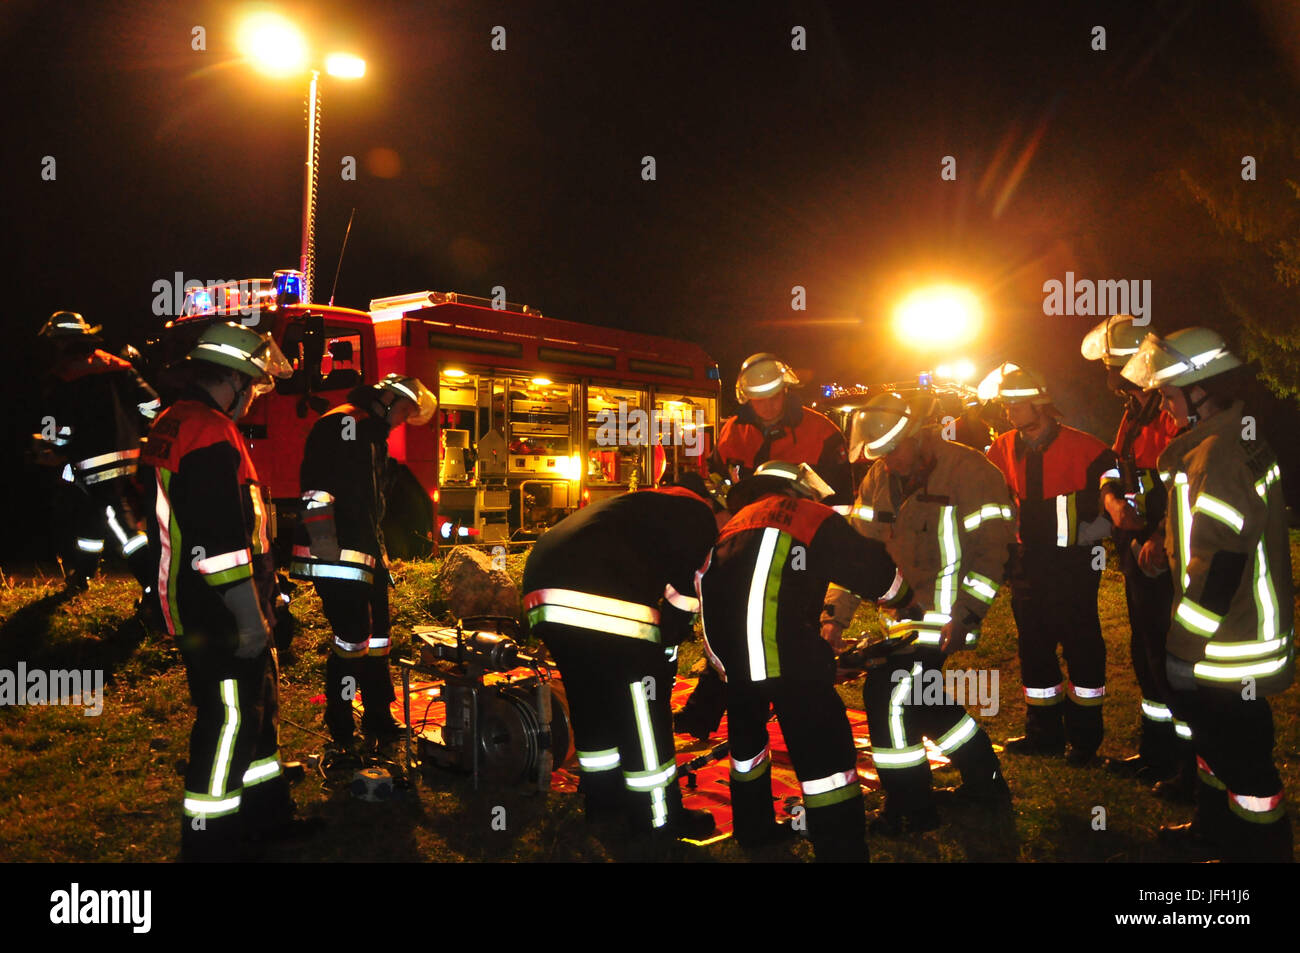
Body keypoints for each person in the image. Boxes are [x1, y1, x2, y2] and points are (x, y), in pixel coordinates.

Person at [1121, 328, 1293, 862]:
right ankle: (1215, 831)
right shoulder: (1232, 439)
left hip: (1229, 642)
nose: (1166, 409)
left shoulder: (1216, 455)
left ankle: (1260, 853)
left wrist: (1184, 647)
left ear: (1200, 391)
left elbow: (1221, 562)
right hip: (1237, 632)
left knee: (1244, 765)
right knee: (1216, 748)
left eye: (1171, 396)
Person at [141, 321, 300, 861]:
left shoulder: (177, 421)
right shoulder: (208, 431)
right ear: (230, 381)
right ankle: (210, 840)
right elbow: (219, 543)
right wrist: (249, 617)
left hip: (210, 602)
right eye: (252, 386)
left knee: (255, 712)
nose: (253, 398)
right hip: (220, 610)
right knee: (229, 720)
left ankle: (264, 815)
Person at [822, 391, 1014, 833]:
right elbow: (858, 556)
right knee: (924, 704)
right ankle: (985, 782)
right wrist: (834, 617)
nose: (889, 461)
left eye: (894, 450)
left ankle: (911, 809)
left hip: (946, 618)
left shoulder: (970, 472)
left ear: (919, 435)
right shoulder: (878, 478)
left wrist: (966, 614)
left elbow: (992, 554)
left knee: (885, 696)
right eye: (880, 454)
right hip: (903, 621)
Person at [698, 461, 899, 861]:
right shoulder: (805, 514)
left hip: (730, 657)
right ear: (793, 489)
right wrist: (903, 595)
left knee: (747, 746)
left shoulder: (735, 523)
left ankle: (753, 830)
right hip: (784, 656)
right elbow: (873, 570)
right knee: (825, 752)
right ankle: (839, 846)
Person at [522, 473, 728, 840]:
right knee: (643, 710)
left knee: (590, 698)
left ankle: (602, 801)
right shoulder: (698, 515)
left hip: (542, 592)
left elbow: (657, 579)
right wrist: (663, 658)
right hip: (602, 594)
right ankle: (659, 817)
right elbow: (684, 598)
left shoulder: (638, 509)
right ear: (713, 506)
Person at [678, 352, 853, 739]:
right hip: (743, 542)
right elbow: (719, 480)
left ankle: (805, 715)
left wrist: (826, 549)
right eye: (759, 398)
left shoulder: (820, 432)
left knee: (796, 630)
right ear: (746, 397)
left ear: (786, 389)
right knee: (731, 626)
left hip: (800, 548)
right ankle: (703, 715)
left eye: (774, 396)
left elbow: (840, 501)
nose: (768, 406)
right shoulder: (733, 430)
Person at [289, 374, 437, 761]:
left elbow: (369, 504)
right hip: (336, 556)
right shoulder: (343, 424)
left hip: (364, 555)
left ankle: (377, 718)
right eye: (404, 410)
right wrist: (324, 542)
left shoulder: (371, 434)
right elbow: (316, 488)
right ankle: (341, 727)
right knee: (352, 641)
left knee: (378, 640)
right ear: (387, 398)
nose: (404, 419)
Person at [983, 363, 1118, 764]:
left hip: (1073, 565)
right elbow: (994, 503)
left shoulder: (1088, 448)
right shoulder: (1002, 448)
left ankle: (1084, 742)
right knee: (1034, 647)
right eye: (1005, 404)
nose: (1007, 411)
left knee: (1082, 647)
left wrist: (1085, 540)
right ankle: (1043, 735)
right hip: (1026, 564)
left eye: (1015, 404)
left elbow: (1116, 503)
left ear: (1040, 403)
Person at [1081, 315, 1190, 791]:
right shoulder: (1135, 410)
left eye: (1119, 365)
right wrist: (1110, 502)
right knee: (1146, 654)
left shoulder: (1172, 410)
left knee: (1172, 656)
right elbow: (1114, 464)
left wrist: (1160, 537)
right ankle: (1157, 753)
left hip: (1169, 551)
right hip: (1138, 545)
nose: (1116, 376)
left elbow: (1185, 482)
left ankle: (1191, 768)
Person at [33, 311, 161, 611]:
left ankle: (153, 586)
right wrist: (137, 429)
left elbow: (56, 425)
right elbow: (152, 404)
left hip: (91, 461)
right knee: (92, 517)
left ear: (60, 343)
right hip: (129, 456)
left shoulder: (62, 376)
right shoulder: (118, 366)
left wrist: (53, 447)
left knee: (119, 524)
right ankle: (83, 574)